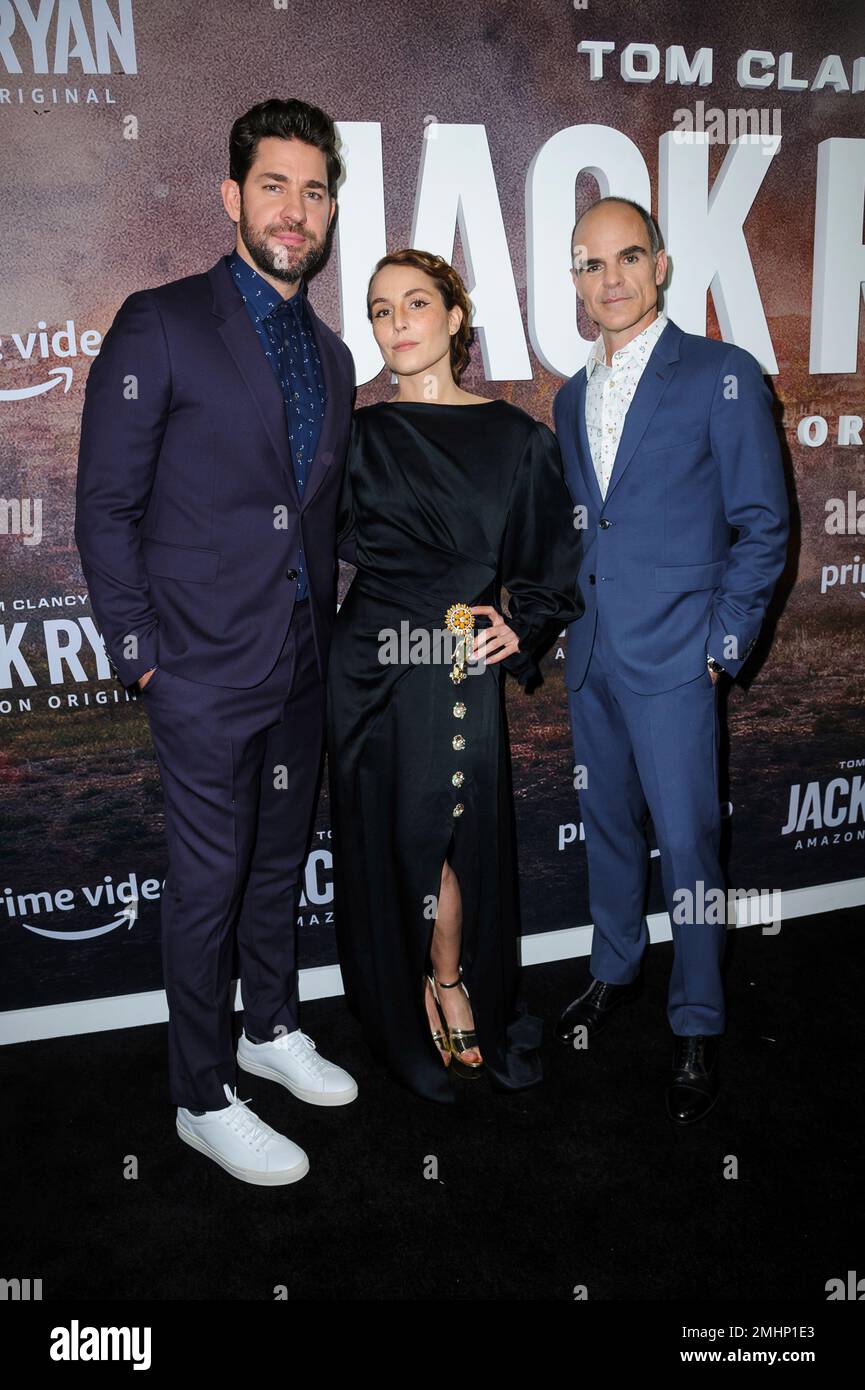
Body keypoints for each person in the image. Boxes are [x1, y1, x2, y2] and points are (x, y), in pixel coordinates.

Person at [75, 98, 359, 1185]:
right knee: (206, 883)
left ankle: (269, 1025)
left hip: (298, 662)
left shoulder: (331, 357)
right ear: (232, 196)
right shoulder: (163, 321)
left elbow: (313, 516)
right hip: (196, 665)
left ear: (331, 209)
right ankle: (201, 1093)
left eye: (315, 189)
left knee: (278, 862)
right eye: (275, 186)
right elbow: (105, 505)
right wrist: (141, 650)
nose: (295, 210)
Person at [328, 249, 584, 1104]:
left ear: (454, 318)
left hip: (453, 655)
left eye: (413, 304)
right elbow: (319, 542)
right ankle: (408, 999)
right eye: (377, 310)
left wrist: (525, 622)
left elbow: (550, 567)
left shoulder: (518, 439)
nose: (395, 323)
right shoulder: (356, 436)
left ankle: (450, 979)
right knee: (385, 837)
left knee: (449, 830)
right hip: (367, 660)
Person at [553, 196, 789, 1123]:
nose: (608, 279)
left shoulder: (721, 375)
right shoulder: (570, 395)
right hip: (593, 658)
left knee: (689, 846)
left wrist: (719, 650)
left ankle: (697, 1016)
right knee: (607, 830)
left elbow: (762, 527)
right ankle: (614, 970)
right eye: (588, 263)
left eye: (626, 258)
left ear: (659, 266)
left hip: (677, 662)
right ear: (574, 281)